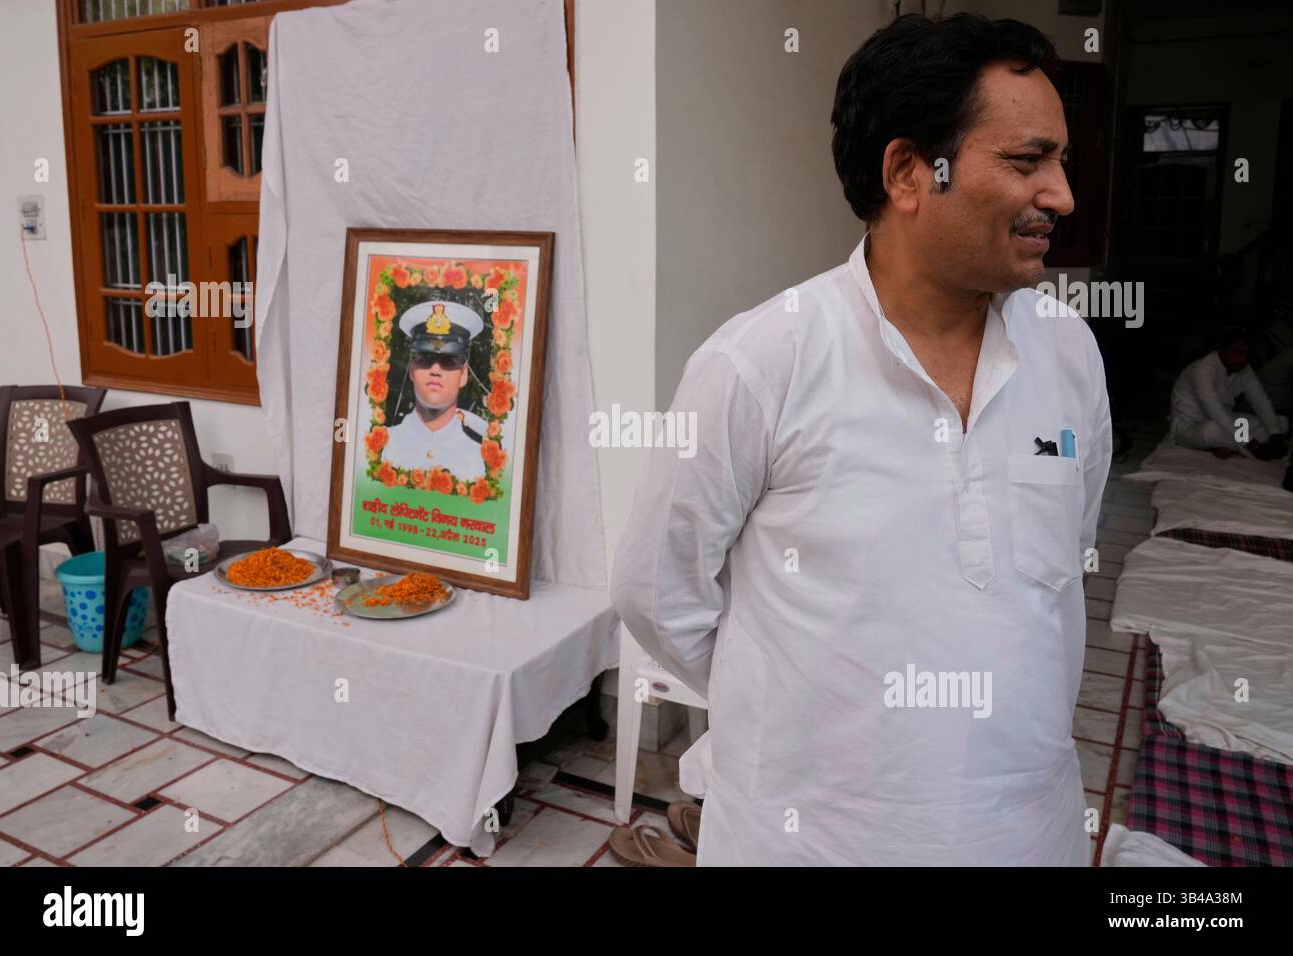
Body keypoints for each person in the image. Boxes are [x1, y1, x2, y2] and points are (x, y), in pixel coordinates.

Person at [610, 13, 1112, 866]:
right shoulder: (760, 363)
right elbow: (658, 593)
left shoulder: (1070, 353)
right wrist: (802, 705)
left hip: (1028, 832)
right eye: (1029, 162)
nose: (1061, 194)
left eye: (1060, 161)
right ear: (910, 173)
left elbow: (1065, 562)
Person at [381, 300, 487, 479]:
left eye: (448, 361)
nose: (435, 370)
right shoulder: (381, 447)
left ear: (463, 375)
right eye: (426, 359)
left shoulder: (484, 456)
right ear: (412, 369)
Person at [1169, 329, 1287, 460]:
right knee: (1212, 430)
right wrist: (1252, 443)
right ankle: (1252, 450)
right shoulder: (1203, 370)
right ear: (1222, 349)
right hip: (1192, 427)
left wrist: (1275, 435)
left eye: (1246, 355)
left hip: (1227, 422)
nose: (1242, 359)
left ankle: (1232, 447)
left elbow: (1261, 402)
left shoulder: (1244, 369)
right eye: (1236, 352)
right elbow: (1217, 413)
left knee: (1280, 423)